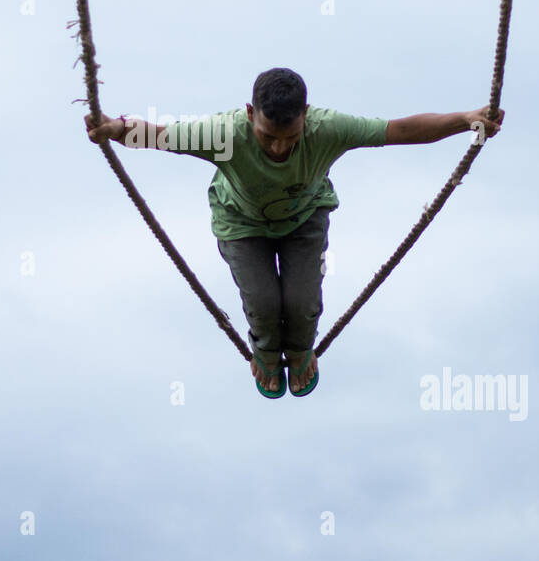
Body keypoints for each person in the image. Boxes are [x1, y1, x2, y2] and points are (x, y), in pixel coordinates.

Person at [84, 67, 503, 398]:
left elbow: (400, 130)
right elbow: (161, 135)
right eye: (268, 138)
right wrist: (114, 127)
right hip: (242, 224)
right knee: (265, 303)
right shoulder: (225, 136)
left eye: (291, 137)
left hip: (304, 221)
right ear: (250, 115)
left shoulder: (327, 130)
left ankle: (301, 351)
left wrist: (465, 120)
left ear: (306, 115)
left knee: (301, 304)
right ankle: (266, 353)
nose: (280, 148)